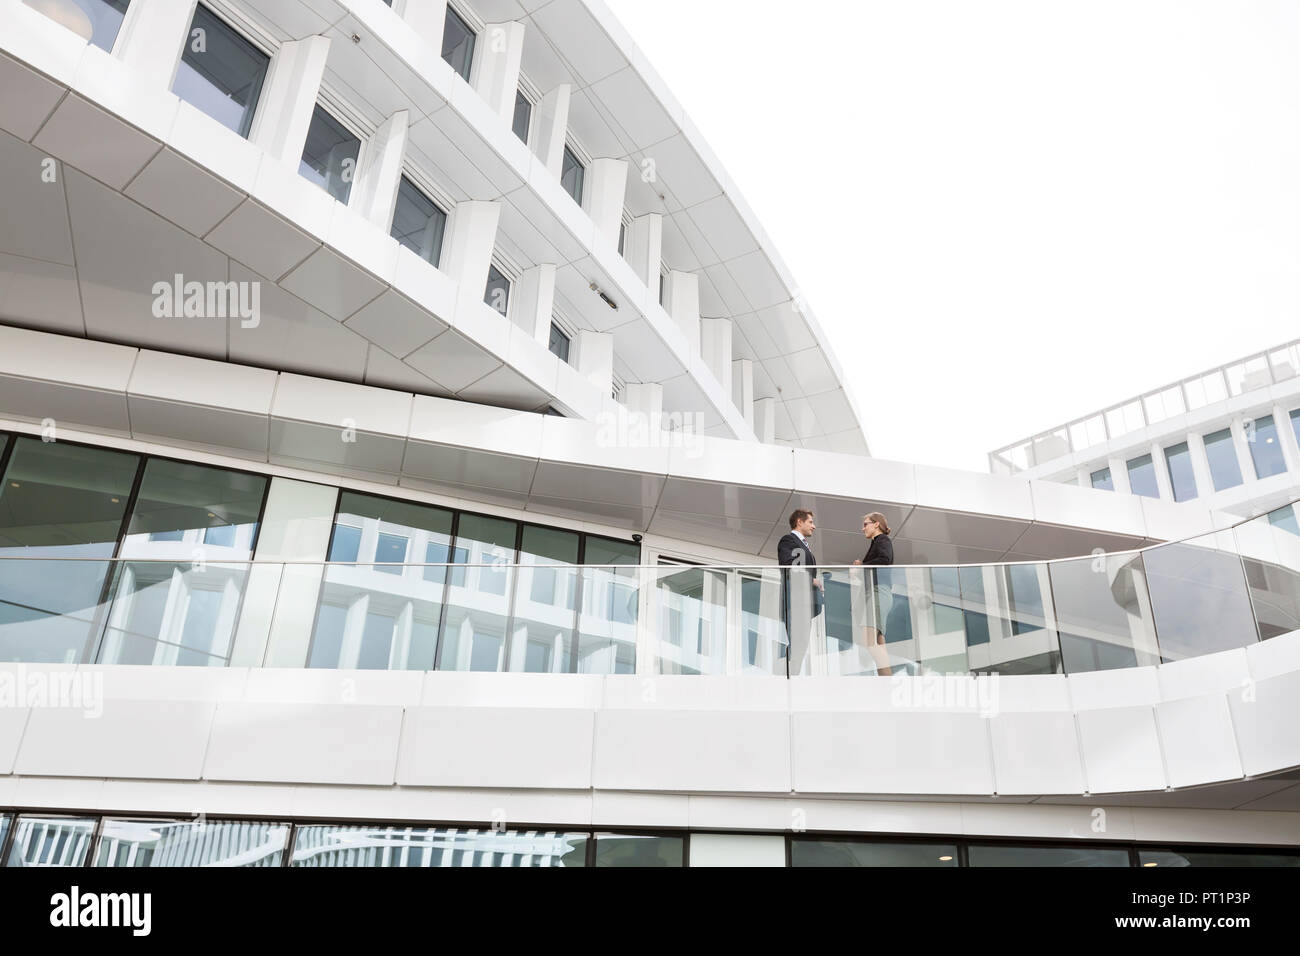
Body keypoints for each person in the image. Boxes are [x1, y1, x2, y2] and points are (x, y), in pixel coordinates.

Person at [777, 508, 822, 676]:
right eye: (810, 522)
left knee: (801, 645)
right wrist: (811, 580)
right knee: (797, 643)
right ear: (799, 522)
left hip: (804, 603)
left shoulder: (803, 546)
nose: (814, 526)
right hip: (795, 601)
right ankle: (786, 679)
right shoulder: (788, 541)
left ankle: (791, 678)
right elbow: (790, 566)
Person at [852, 512, 894, 675]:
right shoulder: (876, 542)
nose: (863, 528)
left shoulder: (882, 540)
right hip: (877, 593)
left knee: (869, 641)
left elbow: (884, 560)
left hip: (878, 593)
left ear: (876, 524)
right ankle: (886, 683)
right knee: (877, 642)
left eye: (865, 524)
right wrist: (862, 566)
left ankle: (888, 682)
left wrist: (861, 566)